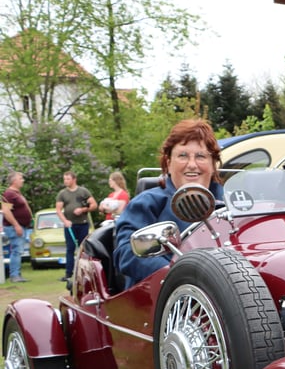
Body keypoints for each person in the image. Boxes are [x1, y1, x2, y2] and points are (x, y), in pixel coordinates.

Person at [113, 119, 223, 288]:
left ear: (213, 164)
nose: (192, 164)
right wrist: (177, 276)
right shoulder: (147, 203)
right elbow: (127, 253)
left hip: (230, 294)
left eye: (201, 156)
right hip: (162, 296)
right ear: (168, 163)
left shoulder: (231, 206)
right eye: (183, 156)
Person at [55, 170, 97, 282]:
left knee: (83, 249)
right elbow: (58, 210)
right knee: (70, 248)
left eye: (68, 179)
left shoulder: (83, 191)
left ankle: (85, 272)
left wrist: (83, 209)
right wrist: (65, 221)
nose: (65, 181)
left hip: (83, 224)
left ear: (74, 179)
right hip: (70, 225)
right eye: (64, 179)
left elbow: (94, 205)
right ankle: (68, 274)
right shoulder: (62, 194)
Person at [2, 171, 33, 283]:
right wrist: (16, 225)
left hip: (21, 226)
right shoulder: (9, 194)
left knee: (18, 251)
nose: (22, 180)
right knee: (16, 250)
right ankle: (14, 275)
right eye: (20, 178)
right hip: (14, 227)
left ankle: (17, 274)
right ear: (14, 181)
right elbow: (6, 211)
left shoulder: (16, 193)